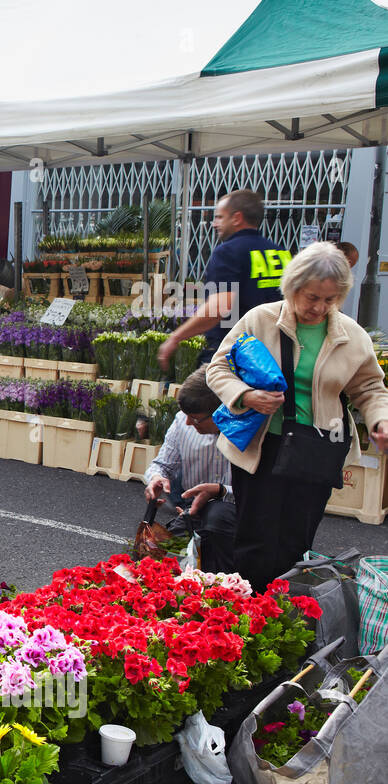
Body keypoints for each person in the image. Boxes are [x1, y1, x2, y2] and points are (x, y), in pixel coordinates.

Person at [206, 241, 388, 591]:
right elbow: (218, 369)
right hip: (262, 448)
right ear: (292, 288)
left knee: (295, 543)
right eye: (311, 297)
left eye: (330, 299)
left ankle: (282, 614)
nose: (320, 307)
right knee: (254, 541)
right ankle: (249, 614)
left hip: (317, 450)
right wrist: (246, 395)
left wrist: (379, 421)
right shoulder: (260, 319)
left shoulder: (352, 336)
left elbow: (370, 389)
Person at [158, 190, 290, 372]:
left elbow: (218, 307)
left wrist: (175, 337)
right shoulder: (281, 253)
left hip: (235, 352)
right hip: (274, 354)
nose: (214, 223)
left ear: (237, 218)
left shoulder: (228, 252)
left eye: (220, 217)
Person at [143, 368, 236, 573]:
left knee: (216, 518)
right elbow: (161, 465)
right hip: (191, 511)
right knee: (147, 557)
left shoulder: (249, 430)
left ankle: (221, 587)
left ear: (221, 411)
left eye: (194, 418)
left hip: (236, 514)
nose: (187, 423)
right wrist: (156, 478)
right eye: (186, 416)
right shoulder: (182, 423)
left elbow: (262, 494)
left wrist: (221, 490)